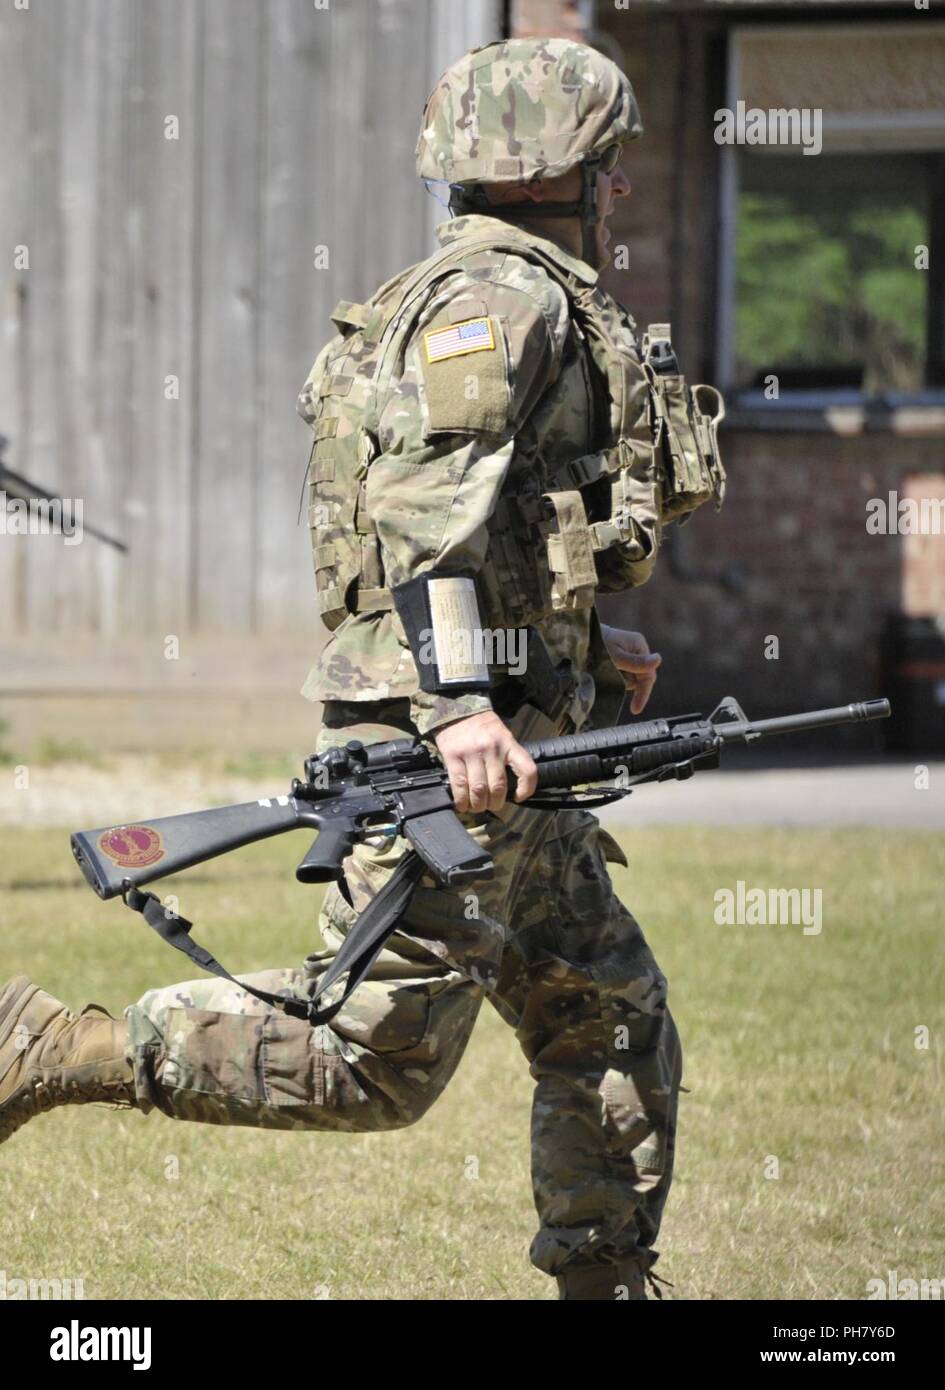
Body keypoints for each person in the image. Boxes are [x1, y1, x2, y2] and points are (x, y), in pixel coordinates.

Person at [0, 38, 726, 1300]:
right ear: (561, 173)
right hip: (458, 758)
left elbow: (502, 524)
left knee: (606, 1014)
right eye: (609, 169)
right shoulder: (502, 302)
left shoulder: (510, 290)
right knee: (368, 1064)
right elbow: (414, 508)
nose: (619, 192)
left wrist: (574, 645)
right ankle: (55, 1046)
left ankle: (608, 1282)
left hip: (519, 751)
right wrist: (454, 707)